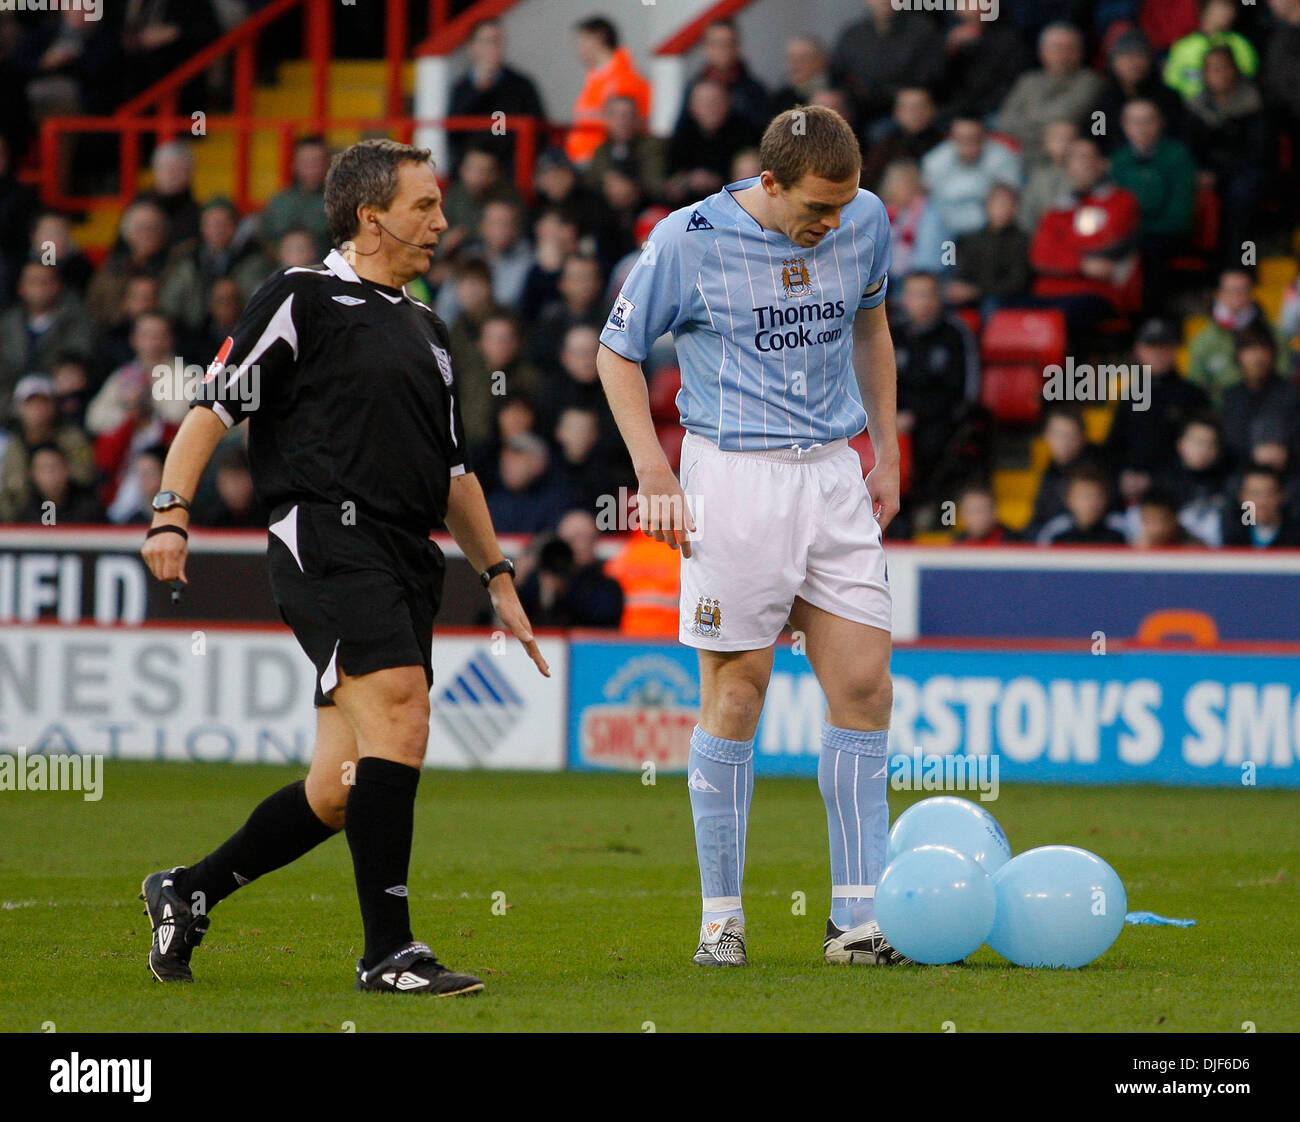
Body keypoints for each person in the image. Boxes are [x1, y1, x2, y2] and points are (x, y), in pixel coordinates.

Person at [138, 139, 548, 996]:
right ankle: (388, 953)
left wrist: (499, 576)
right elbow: (213, 408)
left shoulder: (430, 328)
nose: (443, 221)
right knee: (404, 713)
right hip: (325, 539)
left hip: (407, 557)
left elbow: (455, 475)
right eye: (425, 206)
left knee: (336, 787)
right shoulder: (300, 298)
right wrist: (170, 511)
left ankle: (188, 890)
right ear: (371, 219)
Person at [596, 106, 909, 967]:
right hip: (734, 479)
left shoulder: (867, 219)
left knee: (865, 687)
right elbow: (615, 352)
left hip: (835, 476)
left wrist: (883, 452)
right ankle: (721, 920)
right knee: (738, 693)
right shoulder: (687, 239)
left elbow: (872, 327)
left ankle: (856, 921)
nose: (833, 224)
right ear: (767, 183)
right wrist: (653, 473)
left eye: (844, 206)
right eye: (817, 207)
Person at [447, 19, 546, 174]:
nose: (494, 47)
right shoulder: (461, 88)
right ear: (471, 47)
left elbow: (538, 129)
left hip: (508, 171)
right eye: (488, 41)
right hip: (468, 172)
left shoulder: (521, 85)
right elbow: (453, 131)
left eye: (498, 41)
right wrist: (478, 91)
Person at [995, 23, 1104, 164]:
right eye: (1056, 48)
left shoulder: (1090, 81)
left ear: (1080, 52)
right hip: (1022, 155)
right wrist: (1047, 129)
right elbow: (1006, 122)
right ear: (1042, 51)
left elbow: (1065, 114)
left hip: (1066, 159)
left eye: (1069, 48)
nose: (1062, 54)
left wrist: (1029, 120)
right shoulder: (1028, 80)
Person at [566, 17, 651, 166]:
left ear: (599, 37)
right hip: (582, 157)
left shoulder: (624, 78)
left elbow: (625, 127)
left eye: (583, 41)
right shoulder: (595, 78)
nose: (579, 49)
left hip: (604, 162)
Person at [1037, 465, 1128, 545]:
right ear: (1069, 499)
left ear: (1105, 499)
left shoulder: (1120, 529)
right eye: (1083, 496)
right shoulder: (1055, 532)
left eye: (1095, 497)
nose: (1089, 504)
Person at [1220, 464, 1300, 547]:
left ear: (1280, 496)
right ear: (1242, 497)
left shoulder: (1296, 532)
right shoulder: (1228, 530)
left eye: (1269, 493)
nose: (1262, 502)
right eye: (1255, 494)